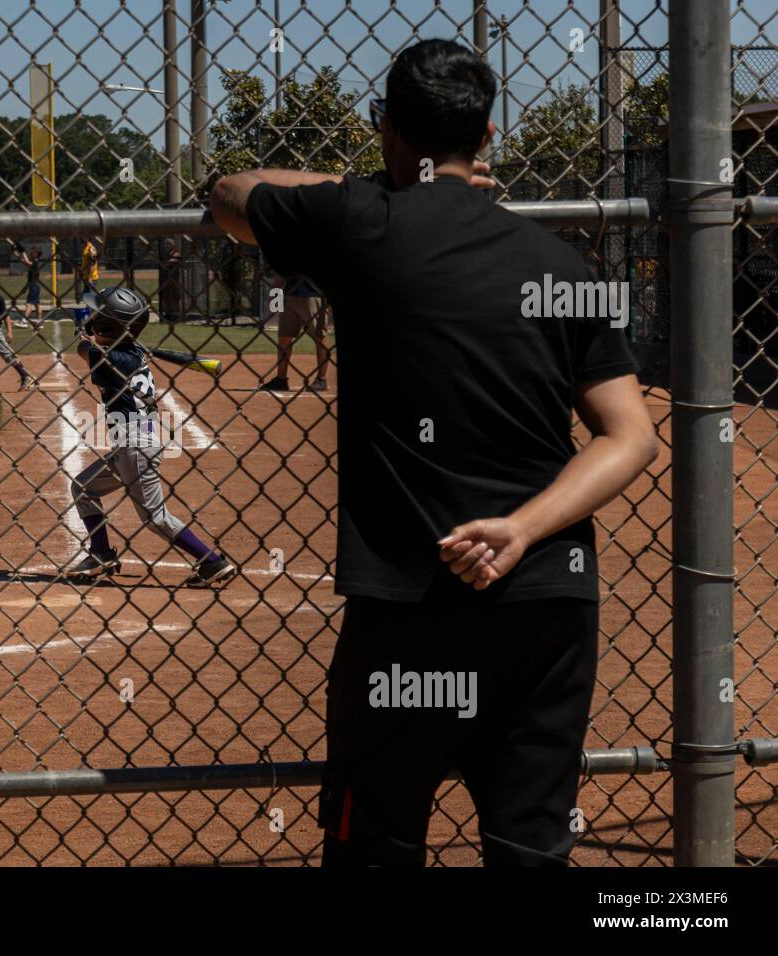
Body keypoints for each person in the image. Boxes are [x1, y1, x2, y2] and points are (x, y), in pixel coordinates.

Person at [210, 38, 658, 867]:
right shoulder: (563, 263)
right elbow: (630, 436)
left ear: (383, 123)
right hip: (545, 600)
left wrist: (376, 187)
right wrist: (522, 529)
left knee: (377, 842)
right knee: (529, 845)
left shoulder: (359, 221)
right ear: (489, 134)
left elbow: (228, 194)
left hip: (411, 607)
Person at [64, 286, 236, 587]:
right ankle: (102, 553)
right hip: (134, 442)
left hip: (135, 444)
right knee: (83, 488)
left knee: (155, 517)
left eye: (96, 317)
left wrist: (85, 330)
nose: (91, 320)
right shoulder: (129, 355)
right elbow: (101, 347)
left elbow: (83, 348)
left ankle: (211, 561)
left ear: (107, 325)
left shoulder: (109, 358)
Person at [259, 272, 331, 392]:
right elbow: (280, 273)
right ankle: (281, 379)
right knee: (284, 337)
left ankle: (321, 379)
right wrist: (274, 293)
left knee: (320, 336)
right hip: (289, 295)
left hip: (314, 294)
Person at [15, 243, 44, 329]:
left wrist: (23, 252)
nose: (31, 253)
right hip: (34, 285)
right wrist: (16, 253)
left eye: (33, 252)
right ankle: (40, 321)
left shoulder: (35, 262)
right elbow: (25, 261)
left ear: (36, 254)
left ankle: (24, 321)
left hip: (34, 286)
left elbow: (27, 262)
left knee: (29, 304)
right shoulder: (34, 261)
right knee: (37, 304)